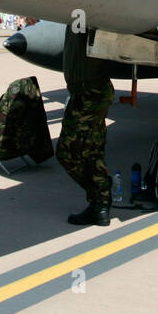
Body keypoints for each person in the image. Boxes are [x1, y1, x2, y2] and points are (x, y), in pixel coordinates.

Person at [57, 26, 116, 225]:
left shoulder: (85, 14)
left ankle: (101, 194)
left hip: (89, 93)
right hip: (89, 91)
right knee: (93, 151)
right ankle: (100, 208)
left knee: (67, 152)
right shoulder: (77, 16)